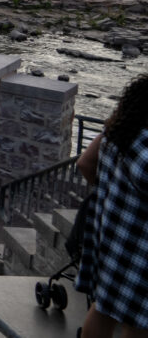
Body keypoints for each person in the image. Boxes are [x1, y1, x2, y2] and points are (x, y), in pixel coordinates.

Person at [75, 74, 148, 337]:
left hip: (111, 232)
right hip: (139, 244)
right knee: (138, 321)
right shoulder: (144, 143)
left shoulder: (117, 129)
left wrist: (110, 191)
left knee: (104, 306)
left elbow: (84, 163)